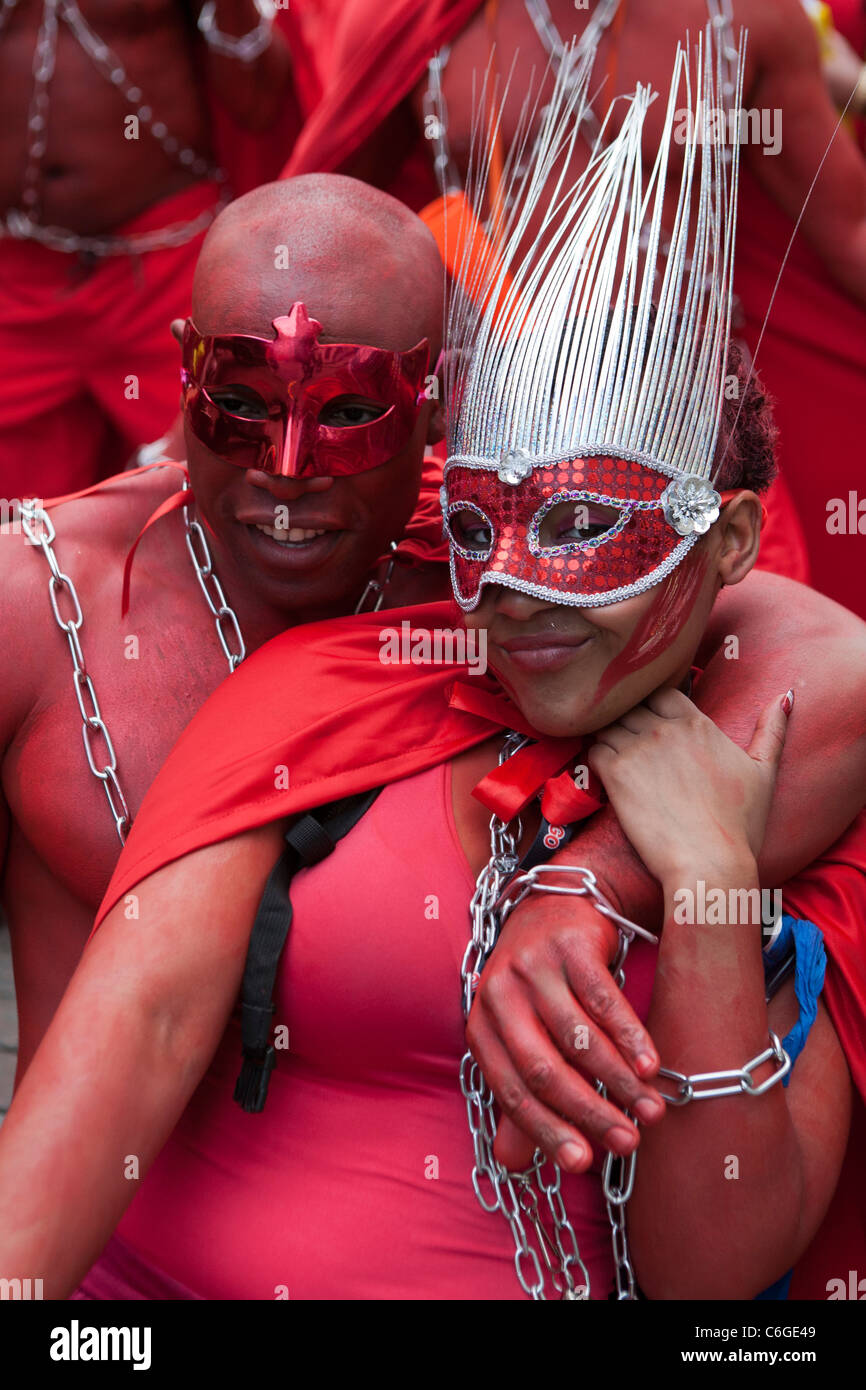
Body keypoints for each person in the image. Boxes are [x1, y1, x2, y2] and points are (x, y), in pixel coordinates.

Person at [0, 35, 863, 1300]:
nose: (287, 470)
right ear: (181, 375)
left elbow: (831, 657)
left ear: (431, 424)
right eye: (237, 400)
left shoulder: (491, 604)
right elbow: (147, 1023)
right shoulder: (77, 611)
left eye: (350, 414)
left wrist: (617, 880)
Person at [284, 0, 866, 617]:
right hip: (496, 432)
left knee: (736, 665)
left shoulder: (747, 17)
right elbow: (333, 222)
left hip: (685, 421)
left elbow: (850, 228)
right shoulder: (410, 21)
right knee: (513, 651)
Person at [0, 0, 303, 496]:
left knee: (214, 480)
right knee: (15, 521)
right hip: (18, 280)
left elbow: (258, 101)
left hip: (167, 268)